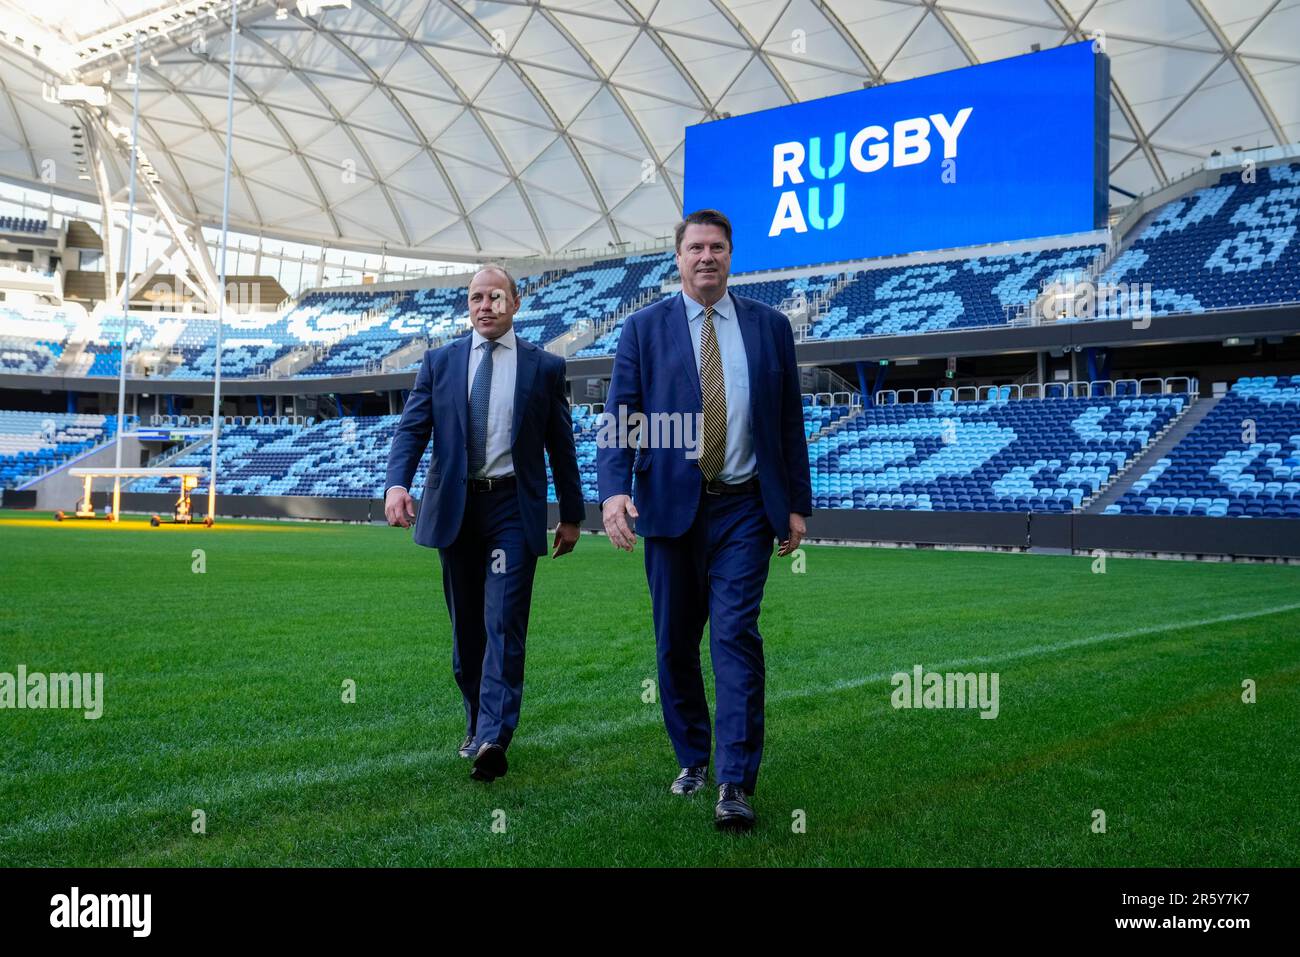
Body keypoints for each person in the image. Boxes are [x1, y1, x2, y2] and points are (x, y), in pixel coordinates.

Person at [597, 209, 812, 831]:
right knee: (674, 645)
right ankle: (693, 757)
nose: (707, 257)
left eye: (717, 247)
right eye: (696, 248)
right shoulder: (642, 328)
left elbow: (789, 421)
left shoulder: (771, 328)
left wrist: (795, 503)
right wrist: (613, 493)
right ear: (678, 257)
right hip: (668, 512)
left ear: (731, 254)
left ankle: (735, 781)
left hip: (745, 507)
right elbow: (621, 418)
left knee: (735, 637)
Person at [385, 264, 584, 782]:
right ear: (467, 306)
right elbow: (412, 430)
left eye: (496, 296)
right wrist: (396, 485)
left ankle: (496, 735)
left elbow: (561, 445)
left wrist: (570, 515)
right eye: (476, 297)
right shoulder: (439, 362)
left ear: (515, 303)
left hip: (511, 510)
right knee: (468, 629)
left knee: (504, 622)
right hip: (457, 509)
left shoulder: (544, 367)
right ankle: (476, 720)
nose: (486, 306)